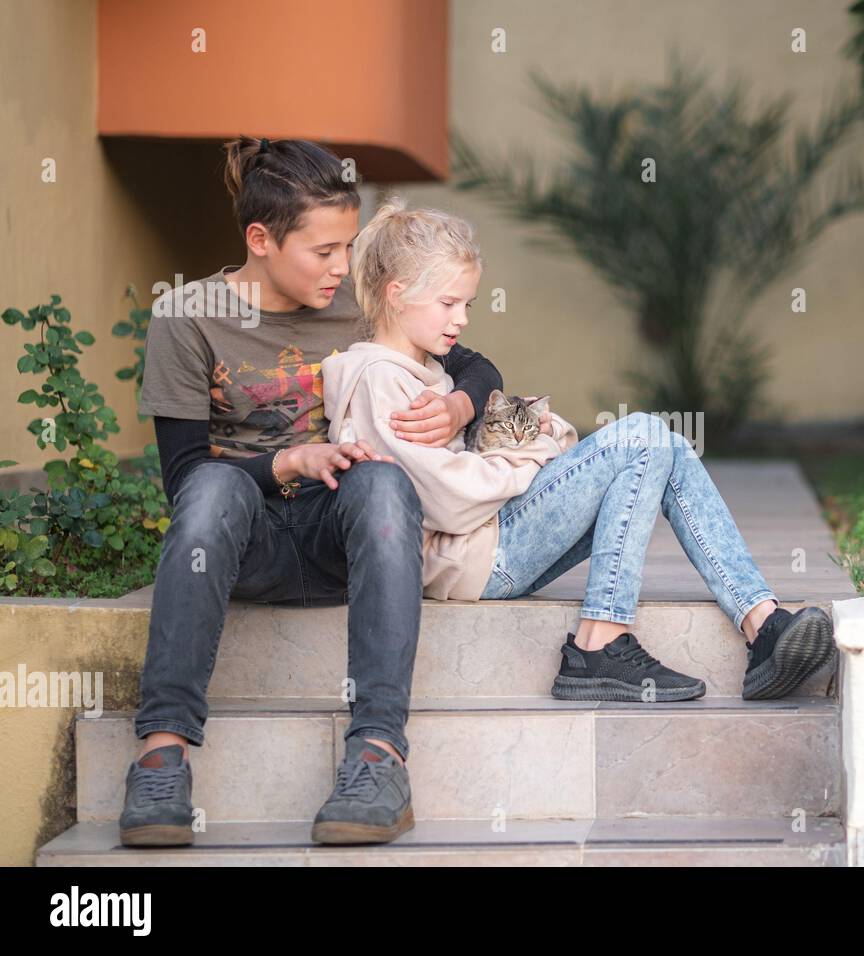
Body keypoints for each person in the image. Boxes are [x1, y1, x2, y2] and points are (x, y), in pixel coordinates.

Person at [119, 137, 505, 848]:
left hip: (342, 534)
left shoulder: (357, 302)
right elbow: (181, 479)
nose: (340, 267)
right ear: (260, 239)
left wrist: (460, 405)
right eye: (322, 251)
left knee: (385, 481)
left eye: (348, 246)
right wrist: (288, 462)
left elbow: (476, 363)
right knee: (208, 489)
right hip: (248, 540)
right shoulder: (188, 315)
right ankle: (160, 759)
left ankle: (377, 757)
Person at [322, 198, 837, 706]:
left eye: (468, 305)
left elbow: (477, 458)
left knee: (666, 448)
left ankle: (761, 624)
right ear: (396, 294)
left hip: (493, 540)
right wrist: (531, 455)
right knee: (645, 435)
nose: (461, 320)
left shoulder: (428, 367)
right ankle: (601, 642)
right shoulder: (378, 381)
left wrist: (529, 438)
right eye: (448, 303)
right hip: (479, 556)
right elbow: (447, 498)